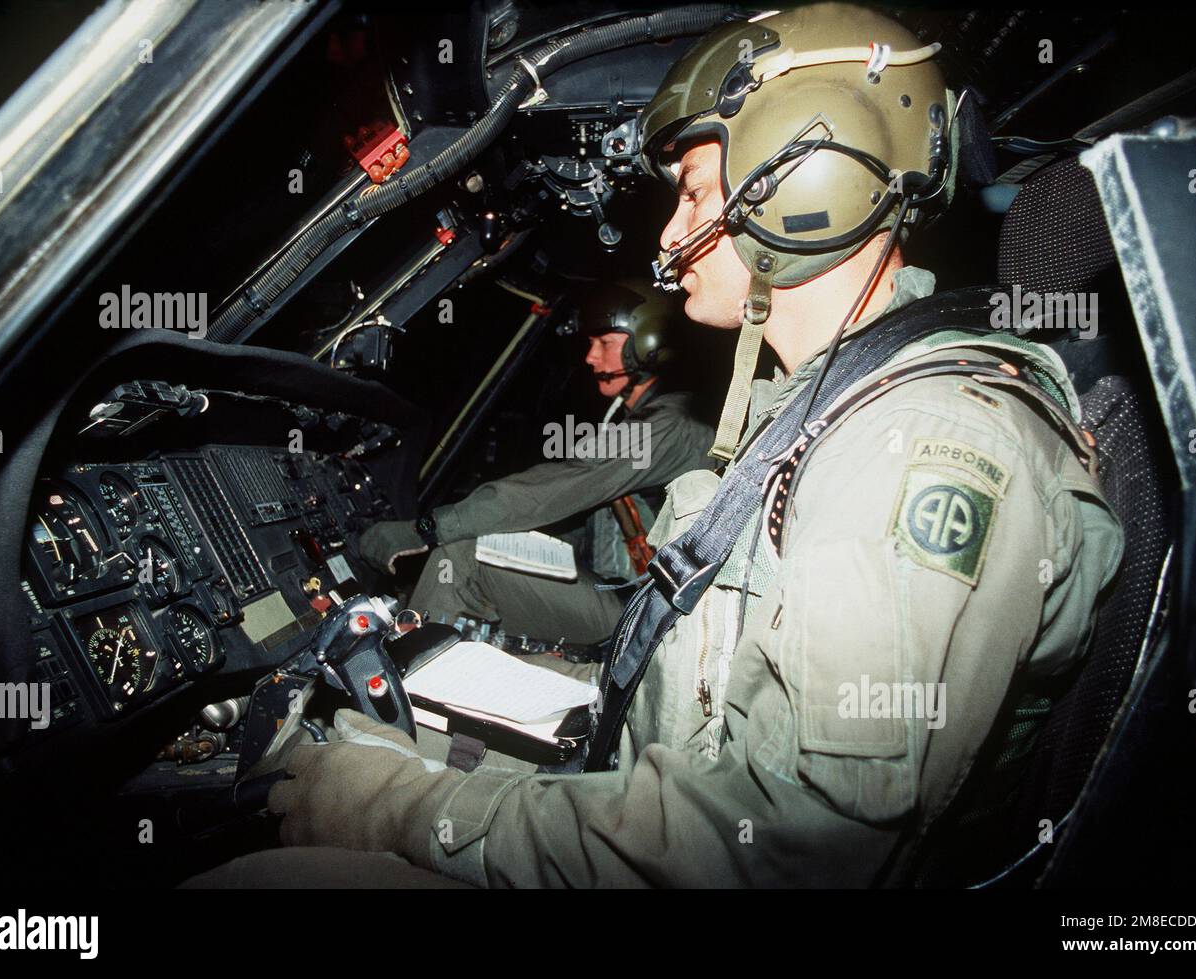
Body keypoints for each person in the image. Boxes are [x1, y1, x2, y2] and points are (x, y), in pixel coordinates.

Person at [191, 3, 1122, 888]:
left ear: (807, 180)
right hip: (655, 774)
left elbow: (782, 850)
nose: (673, 233)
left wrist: (407, 813)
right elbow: (718, 699)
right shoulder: (825, 413)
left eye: (694, 192)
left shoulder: (917, 446)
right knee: (350, 743)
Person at [357, 279, 715, 645]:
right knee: (488, 543)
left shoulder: (670, 426)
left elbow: (557, 486)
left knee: (462, 558)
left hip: (652, 617)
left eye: (604, 343)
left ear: (648, 346)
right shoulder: (653, 416)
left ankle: (406, 682)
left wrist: (426, 530)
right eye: (591, 343)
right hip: (635, 598)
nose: (590, 357)